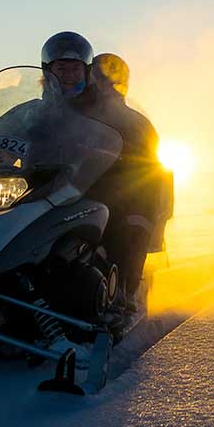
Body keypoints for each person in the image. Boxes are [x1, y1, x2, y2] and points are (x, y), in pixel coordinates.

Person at [39, 34, 166, 309]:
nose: (108, 87)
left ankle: (123, 292)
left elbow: (149, 164)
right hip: (46, 187)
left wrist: (119, 160)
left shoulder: (130, 120)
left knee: (128, 218)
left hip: (104, 188)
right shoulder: (44, 110)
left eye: (75, 69)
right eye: (62, 69)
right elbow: (17, 127)